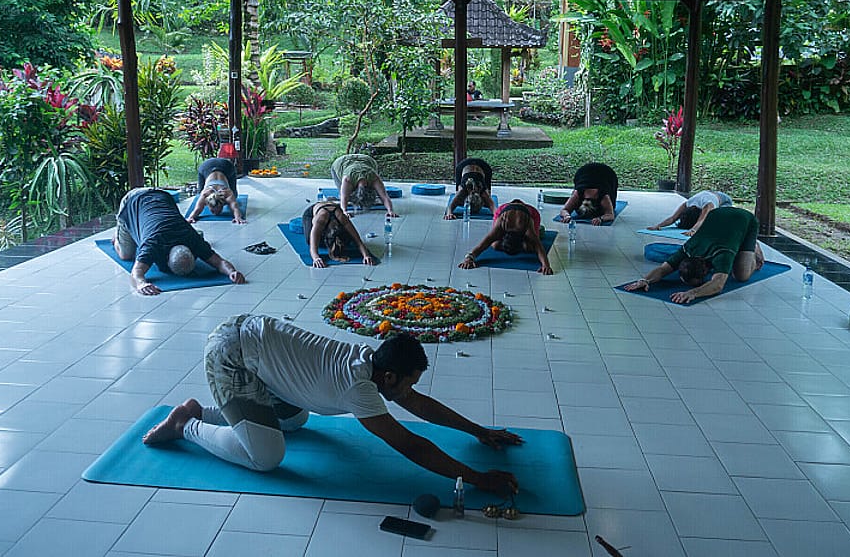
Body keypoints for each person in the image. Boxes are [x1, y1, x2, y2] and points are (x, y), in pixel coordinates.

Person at [143, 316, 521, 495]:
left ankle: (210, 415)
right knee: (266, 457)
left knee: (294, 422)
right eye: (408, 383)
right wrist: (475, 478)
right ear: (389, 378)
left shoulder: (371, 363)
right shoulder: (360, 387)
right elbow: (411, 444)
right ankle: (186, 424)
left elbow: (419, 405)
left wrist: (479, 431)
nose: (410, 391)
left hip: (256, 345)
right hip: (232, 354)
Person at [113, 187, 246, 295]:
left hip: (162, 196)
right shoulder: (153, 244)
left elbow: (219, 262)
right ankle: (117, 238)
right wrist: (141, 284)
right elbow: (136, 273)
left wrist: (232, 272)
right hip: (132, 201)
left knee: (193, 232)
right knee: (126, 255)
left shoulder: (192, 238)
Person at [619, 206, 764, 304]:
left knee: (741, 276)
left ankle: (752, 246)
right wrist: (644, 280)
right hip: (717, 215)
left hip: (745, 220)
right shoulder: (687, 249)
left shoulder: (722, 255)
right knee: (736, 266)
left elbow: (718, 285)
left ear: (706, 270)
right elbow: (663, 269)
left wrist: (693, 293)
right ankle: (738, 242)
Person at [458, 199, 552, 274]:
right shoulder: (501, 225)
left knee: (530, 247)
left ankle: (538, 231)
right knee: (494, 245)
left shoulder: (526, 226)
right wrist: (469, 258)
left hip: (530, 212)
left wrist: (546, 265)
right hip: (504, 209)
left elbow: (538, 246)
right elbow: (483, 244)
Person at [303, 198, 379, 268]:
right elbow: (313, 247)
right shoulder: (321, 220)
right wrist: (316, 258)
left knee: (349, 238)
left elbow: (358, 241)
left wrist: (366, 255)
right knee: (310, 239)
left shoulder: (342, 218)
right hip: (312, 212)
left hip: (333, 209)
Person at [330, 153, 398, 217]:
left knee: (378, 191)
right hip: (341, 162)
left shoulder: (374, 178)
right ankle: (354, 201)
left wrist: (390, 211)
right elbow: (344, 197)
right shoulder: (347, 180)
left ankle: (361, 201)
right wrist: (344, 211)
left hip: (366, 160)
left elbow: (384, 196)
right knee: (344, 193)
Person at [647, 189, 734, 236]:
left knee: (714, 219)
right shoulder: (687, 204)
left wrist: (693, 230)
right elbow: (673, 218)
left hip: (724, 200)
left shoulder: (708, 206)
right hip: (709, 193)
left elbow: (701, 220)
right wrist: (658, 226)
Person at [187, 157, 245, 223]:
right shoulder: (205, 194)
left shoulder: (228, 193)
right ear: (208, 204)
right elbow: (197, 209)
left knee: (235, 195)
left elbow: (235, 208)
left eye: (218, 210)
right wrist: (191, 217)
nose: (215, 214)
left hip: (227, 166)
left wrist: (238, 217)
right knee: (199, 194)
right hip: (206, 166)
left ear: (222, 204)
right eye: (213, 211)